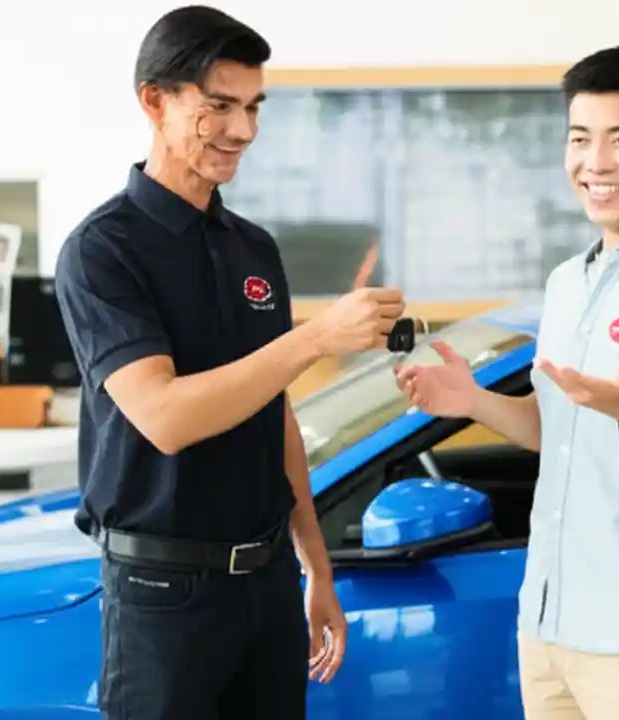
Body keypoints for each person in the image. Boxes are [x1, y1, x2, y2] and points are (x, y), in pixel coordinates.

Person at [53, 6, 405, 719]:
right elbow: (165, 417)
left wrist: (315, 566)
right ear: (155, 100)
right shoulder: (102, 251)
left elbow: (274, 415)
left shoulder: (253, 250)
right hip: (162, 595)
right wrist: (313, 338)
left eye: (252, 107)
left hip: (268, 582)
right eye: (219, 106)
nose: (242, 130)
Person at [396, 45, 619, 719]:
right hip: (549, 626)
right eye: (580, 138)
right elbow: (557, 431)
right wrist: (473, 401)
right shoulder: (570, 280)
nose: (595, 163)